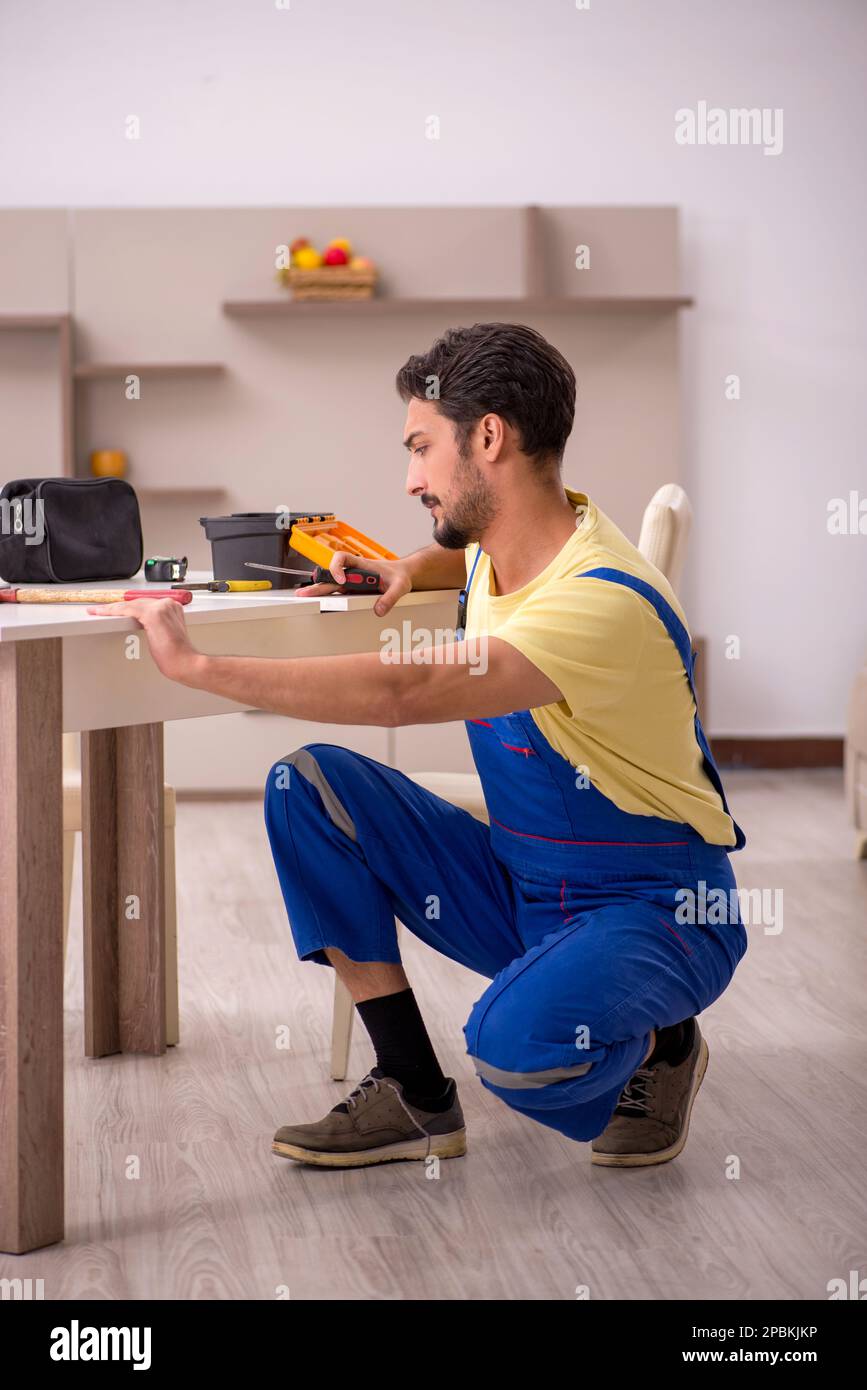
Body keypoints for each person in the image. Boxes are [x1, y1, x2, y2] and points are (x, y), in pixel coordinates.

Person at [88, 322, 747, 1171]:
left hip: (655, 910)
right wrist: (407, 566)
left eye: (420, 448)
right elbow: (464, 559)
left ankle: (661, 1043)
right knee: (310, 788)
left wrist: (196, 666)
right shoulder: (506, 550)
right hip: (522, 891)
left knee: (515, 1051)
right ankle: (412, 1090)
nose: (409, 479)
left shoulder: (599, 599)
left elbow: (408, 690)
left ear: (487, 437)